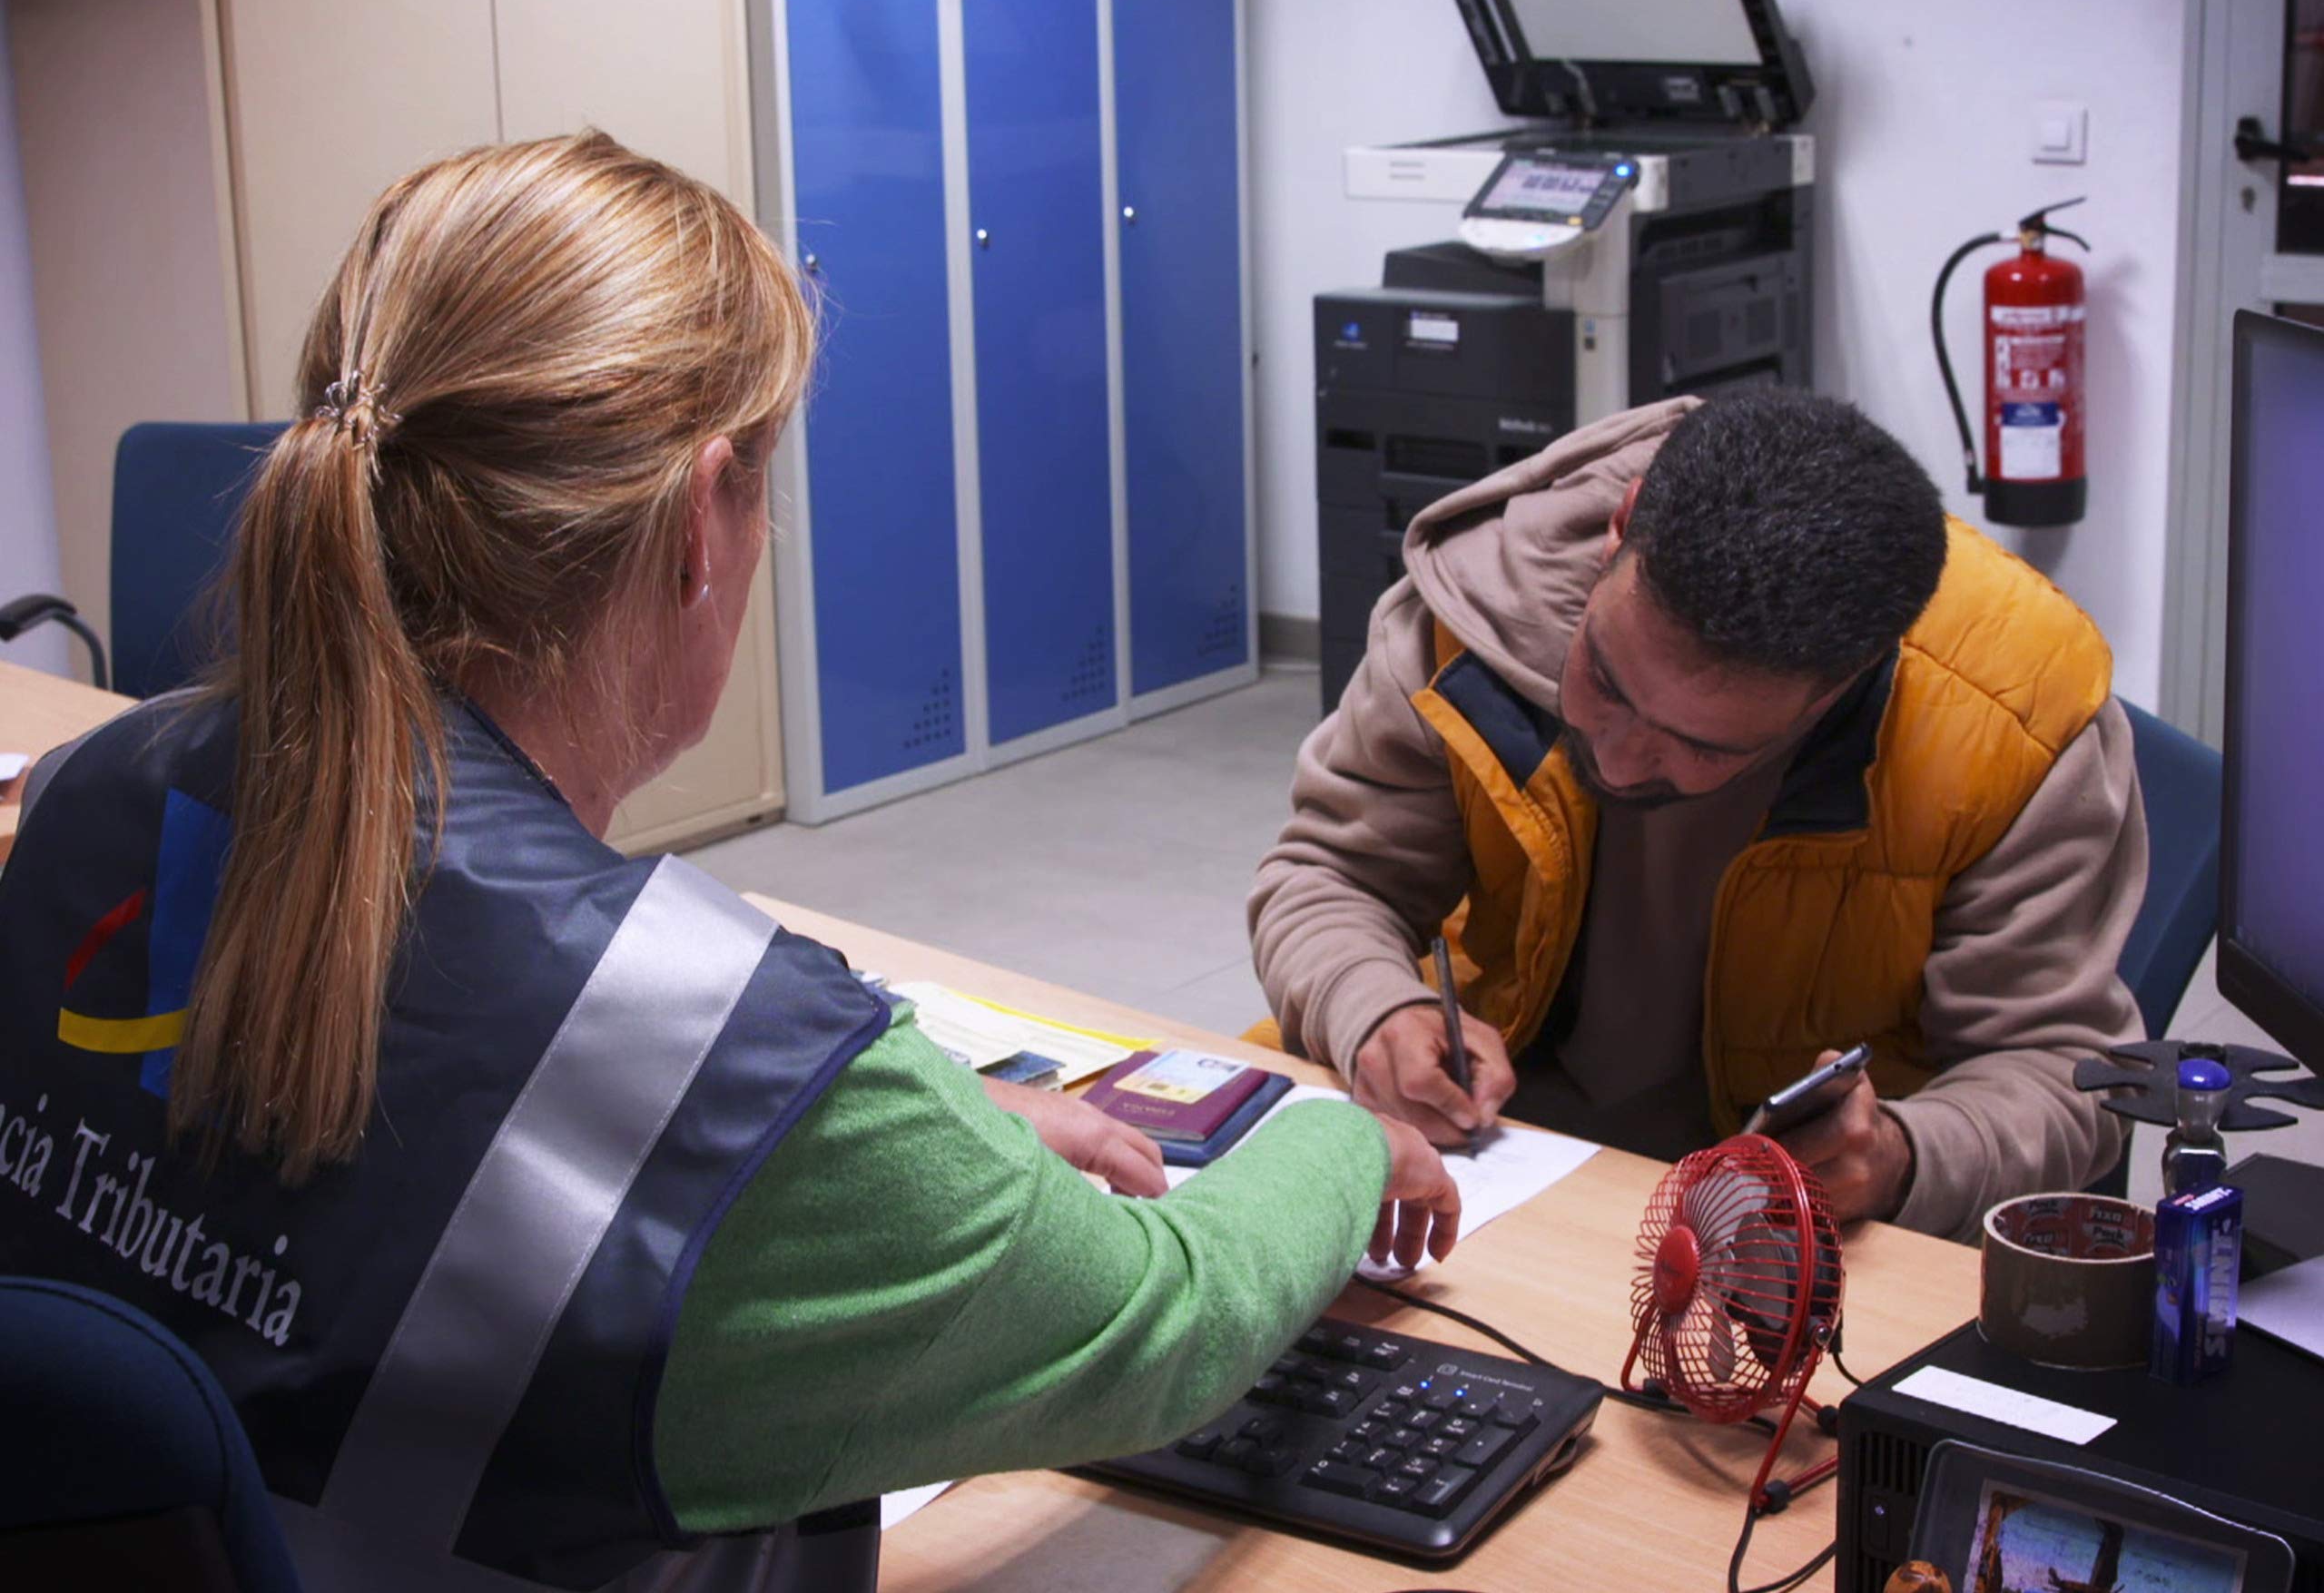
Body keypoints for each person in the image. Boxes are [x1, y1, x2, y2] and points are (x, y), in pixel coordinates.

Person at [0, 132, 1461, 1593]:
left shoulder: (86, 798)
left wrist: (927, 1141)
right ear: (704, 521)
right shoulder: (703, 1048)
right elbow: (1173, 1321)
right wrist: (1339, 1137)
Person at [1250, 390, 2148, 1242]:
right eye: (1604, 678)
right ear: (1620, 527)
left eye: (1704, 746)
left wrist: (1900, 1158)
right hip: (1495, 1161)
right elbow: (1329, 874)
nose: (1620, 756)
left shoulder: (2018, 722)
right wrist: (1372, 1008)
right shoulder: (1473, 606)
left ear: (1852, 676)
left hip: (1797, 1234)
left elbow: (2062, 1075)